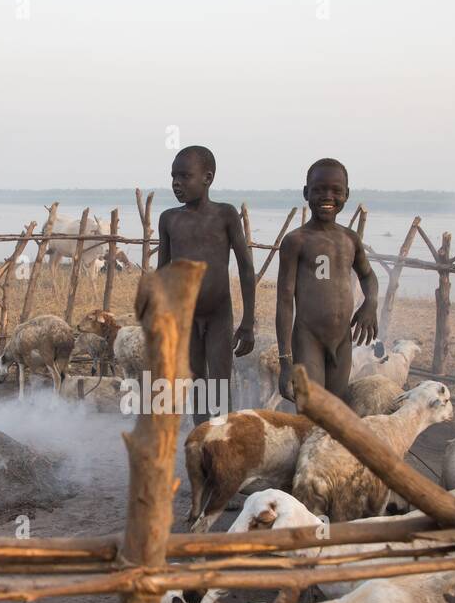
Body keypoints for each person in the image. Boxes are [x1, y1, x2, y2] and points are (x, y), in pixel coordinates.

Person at [158, 145, 256, 423]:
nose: (177, 183)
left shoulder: (225, 215)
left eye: (185, 176)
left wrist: (248, 322)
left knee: (220, 384)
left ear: (207, 178)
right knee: (196, 381)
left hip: (218, 314)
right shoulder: (169, 219)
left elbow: (246, 269)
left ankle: (222, 445)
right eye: (173, 177)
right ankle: (201, 446)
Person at [276, 158, 378, 403]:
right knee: (312, 408)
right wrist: (285, 361)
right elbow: (284, 301)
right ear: (306, 193)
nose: (327, 196)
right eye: (319, 189)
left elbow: (368, 275)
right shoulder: (296, 241)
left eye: (336, 191)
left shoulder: (350, 239)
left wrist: (371, 304)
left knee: (335, 410)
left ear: (346, 195)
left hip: (342, 339)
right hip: (308, 337)